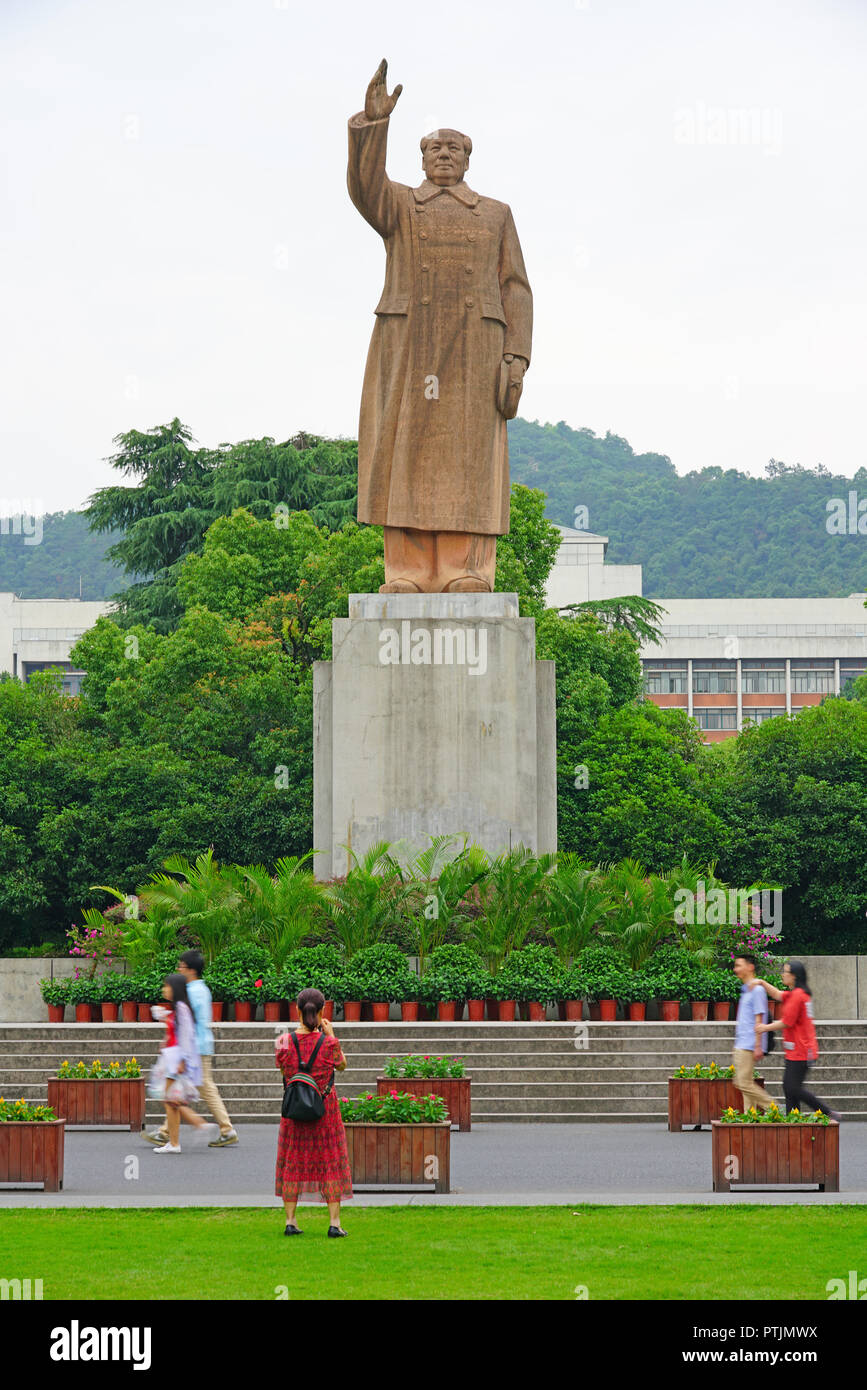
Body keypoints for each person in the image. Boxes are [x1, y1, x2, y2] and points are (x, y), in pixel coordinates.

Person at [274, 988, 352, 1237]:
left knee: (293, 1161)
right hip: (325, 1111)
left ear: (297, 1010)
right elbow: (342, 1065)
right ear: (322, 1011)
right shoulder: (329, 1043)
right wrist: (331, 1034)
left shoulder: (283, 1041)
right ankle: (334, 1223)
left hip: (294, 1110)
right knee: (330, 1162)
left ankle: (290, 1220)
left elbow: (283, 1070)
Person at [143, 951, 239, 1149]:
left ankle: (223, 1128)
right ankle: (167, 1132)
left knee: (195, 1088)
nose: (179, 969)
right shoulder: (202, 989)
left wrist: (166, 1018)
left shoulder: (193, 991)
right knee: (181, 1089)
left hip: (194, 1047)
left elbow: (185, 1021)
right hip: (199, 1045)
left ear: (191, 970)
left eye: (182, 966)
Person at [755, 961, 841, 1120]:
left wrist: (763, 1027)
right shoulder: (796, 994)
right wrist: (762, 982)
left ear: (794, 976)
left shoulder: (797, 996)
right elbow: (777, 994)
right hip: (796, 1050)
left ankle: (826, 1111)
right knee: (789, 1088)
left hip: (802, 1049)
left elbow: (787, 1022)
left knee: (792, 1087)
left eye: (785, 972)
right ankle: (793, 1120)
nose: (783, 974)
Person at [149, 974, 216, 1153]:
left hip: (176, 1060)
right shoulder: (178, 1008)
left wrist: (183, 1060)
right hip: (172, 1058)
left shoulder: (182, 1009)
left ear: (175, 988)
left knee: (170, 1100)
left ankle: (182, 1137)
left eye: (167, 986)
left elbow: (187, 1036)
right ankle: (181, 1137)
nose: (164, 989)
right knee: (171, 1100)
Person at [731, 953, 776, 1113]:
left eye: (739, 965)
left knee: (743, 1083)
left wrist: (758, 1045)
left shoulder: (757, 990)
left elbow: (759, 1018)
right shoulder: (747, 990)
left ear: (750, 967)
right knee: (746, 1084)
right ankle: (750, 1117)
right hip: (743, 1042)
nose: (736, 969)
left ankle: (773, 1107)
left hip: (749, 1044)